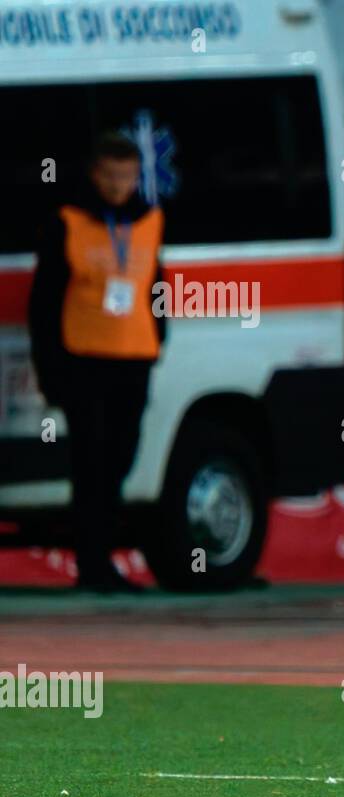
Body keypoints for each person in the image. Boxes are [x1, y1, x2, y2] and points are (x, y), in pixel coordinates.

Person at [27, 131, 166, 593]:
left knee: (120, 457)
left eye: (126, 176)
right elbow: (43, 302)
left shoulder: (150, 219)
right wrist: (50, 369)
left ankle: (102, 557)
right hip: (83, 355)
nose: (118, 185)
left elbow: (156, 282)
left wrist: (159, 338)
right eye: (110, 175)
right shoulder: (68, 221)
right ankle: (93, 563)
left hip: (134, 355)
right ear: (94, 174)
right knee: (91, 459)